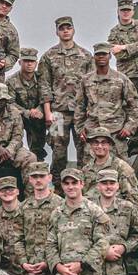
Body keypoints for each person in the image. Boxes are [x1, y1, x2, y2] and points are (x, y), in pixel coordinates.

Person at [37, 15, 93, 182]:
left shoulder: (86, 56)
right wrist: (47, 113)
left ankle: (84, 186)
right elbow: (44, 85)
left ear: (73, 30)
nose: (66, 31)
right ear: (57, 32)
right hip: (57, 113)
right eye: (62, 28)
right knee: (58, 151)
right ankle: (58, 189)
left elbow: (91, 87)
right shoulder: (49, 56)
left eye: (68, 28)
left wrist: (90, 113)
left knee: (84, 150)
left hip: (80, 113)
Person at [74, 43, 138, 159]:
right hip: (93, 132)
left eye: (104, 54)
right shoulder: (86, 80)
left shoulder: (121, 79)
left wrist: (129, 127)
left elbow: (133, 105)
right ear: (94, 57)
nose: (101, 57)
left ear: (110, 56)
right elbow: (80, 106)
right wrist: (80, 129)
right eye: (98, 54)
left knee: (120, 168)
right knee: (90, 167)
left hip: (115, 132)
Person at [107, 0, 138, 147]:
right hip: (127, 75)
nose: (126, 13)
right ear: (118, 12)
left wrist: (124, 47)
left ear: (133, 12)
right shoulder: (114, 32)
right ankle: (135, 141)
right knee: (130, 106)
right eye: (123, 11)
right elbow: (116, 53)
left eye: (128, 10)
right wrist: (133, 48)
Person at [80, 127, 138, 207]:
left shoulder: (121, 167)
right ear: (91, 145)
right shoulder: (86, 169)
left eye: (104, 143)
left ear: (110, 145)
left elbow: (133, 199)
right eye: (95, 142)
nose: (99, 146)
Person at [6, 47, 46, 160]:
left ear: (36, 63)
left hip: (39, 116)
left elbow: (47, 97)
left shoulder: (42, 79)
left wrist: (39, 110)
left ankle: (41, 159)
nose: (29, 64)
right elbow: (10, 103)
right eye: (26, 61)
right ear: (20, 62)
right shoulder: (11, 81)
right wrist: (27, 112)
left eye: (32, 61)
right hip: (19, 116)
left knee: (57, 125)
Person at [0, 176, 24, 273]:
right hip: (5, 271)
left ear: (17, 191)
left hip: (27, 269)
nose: (7, 192)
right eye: (3, 190)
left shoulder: (27, 211)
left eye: (11, 189)